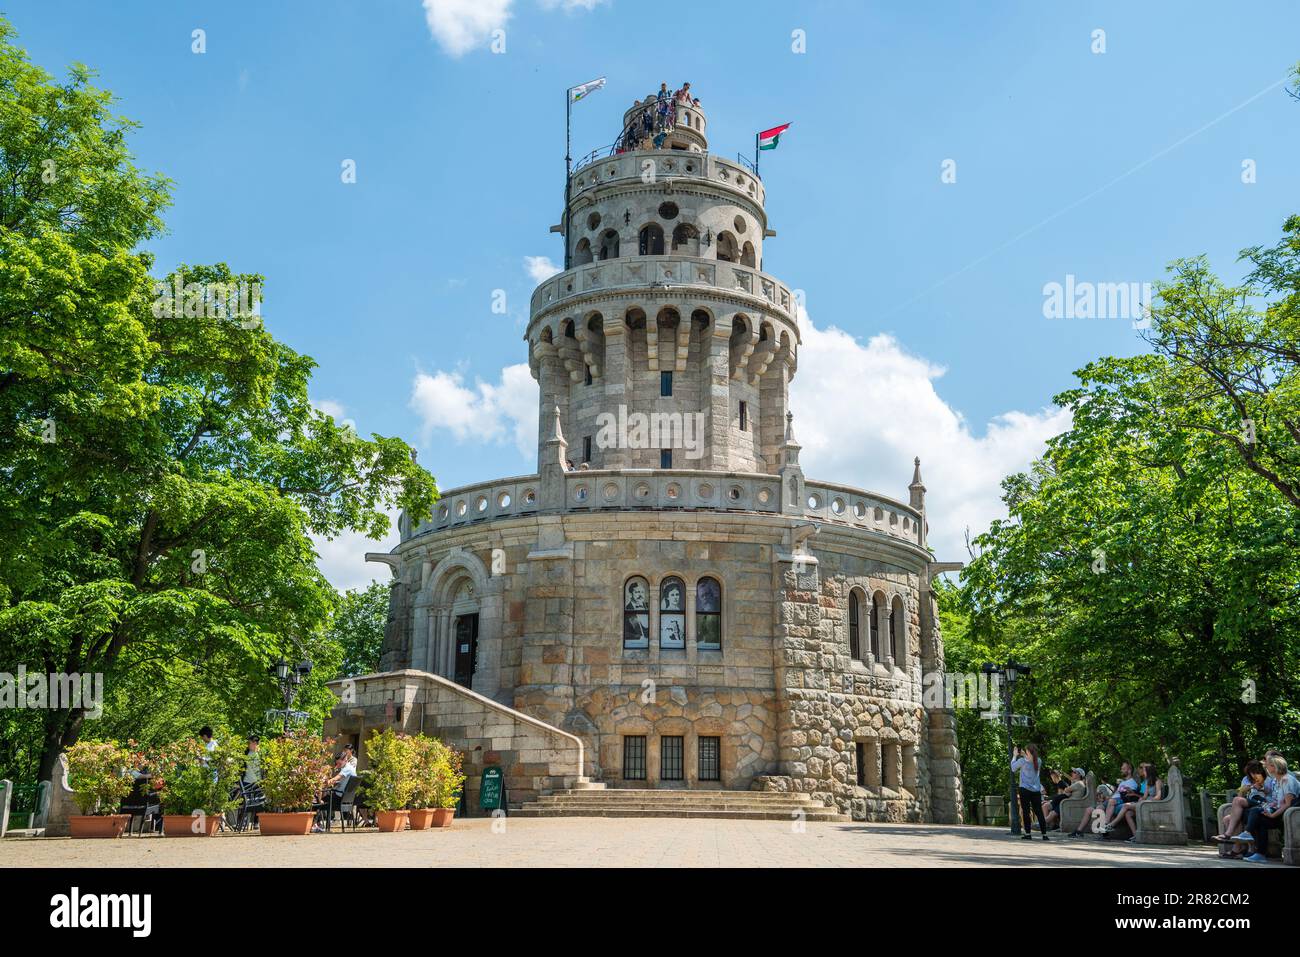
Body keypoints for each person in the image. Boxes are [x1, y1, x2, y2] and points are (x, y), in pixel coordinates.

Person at [1233, 754, 1299, 862]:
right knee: (1257, 817)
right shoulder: (1277, 780)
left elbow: (1288, 804)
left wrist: (1272, 814)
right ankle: (1260, 854)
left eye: (1267, 765)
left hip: (1288, 815)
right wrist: (1269, 806)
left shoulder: (1287, 780)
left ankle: (1248, 835)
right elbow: (1277, 802)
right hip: (1279, 811)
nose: (1265, 768)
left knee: (1256, 812)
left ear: (1273, 767)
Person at [1107, 763, 1162, 839]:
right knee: (1128, 813)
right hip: (1144, 803)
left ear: (1149, 772)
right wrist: (1139, 799)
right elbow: (1145, 796)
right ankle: (1136, 836)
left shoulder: (1157, 781)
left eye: (1145, 771)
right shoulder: (1148, 782)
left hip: (1152, 804)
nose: (1143, 772)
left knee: (1126, 805)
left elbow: (1158, 797)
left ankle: (1112, 824)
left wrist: (1146, 801)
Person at [1011, 744, 1050, 840]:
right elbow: (1031, 759)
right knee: (1039, 812)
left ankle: (1028, 834)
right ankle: (1044, 835)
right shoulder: (1039, 761)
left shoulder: (1022, 761)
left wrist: (1015, 755)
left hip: (1024, 790)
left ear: (1028, 752)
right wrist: (1024, 754)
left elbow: (1013, 768)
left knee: (1026, 812)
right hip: (1036, 790)